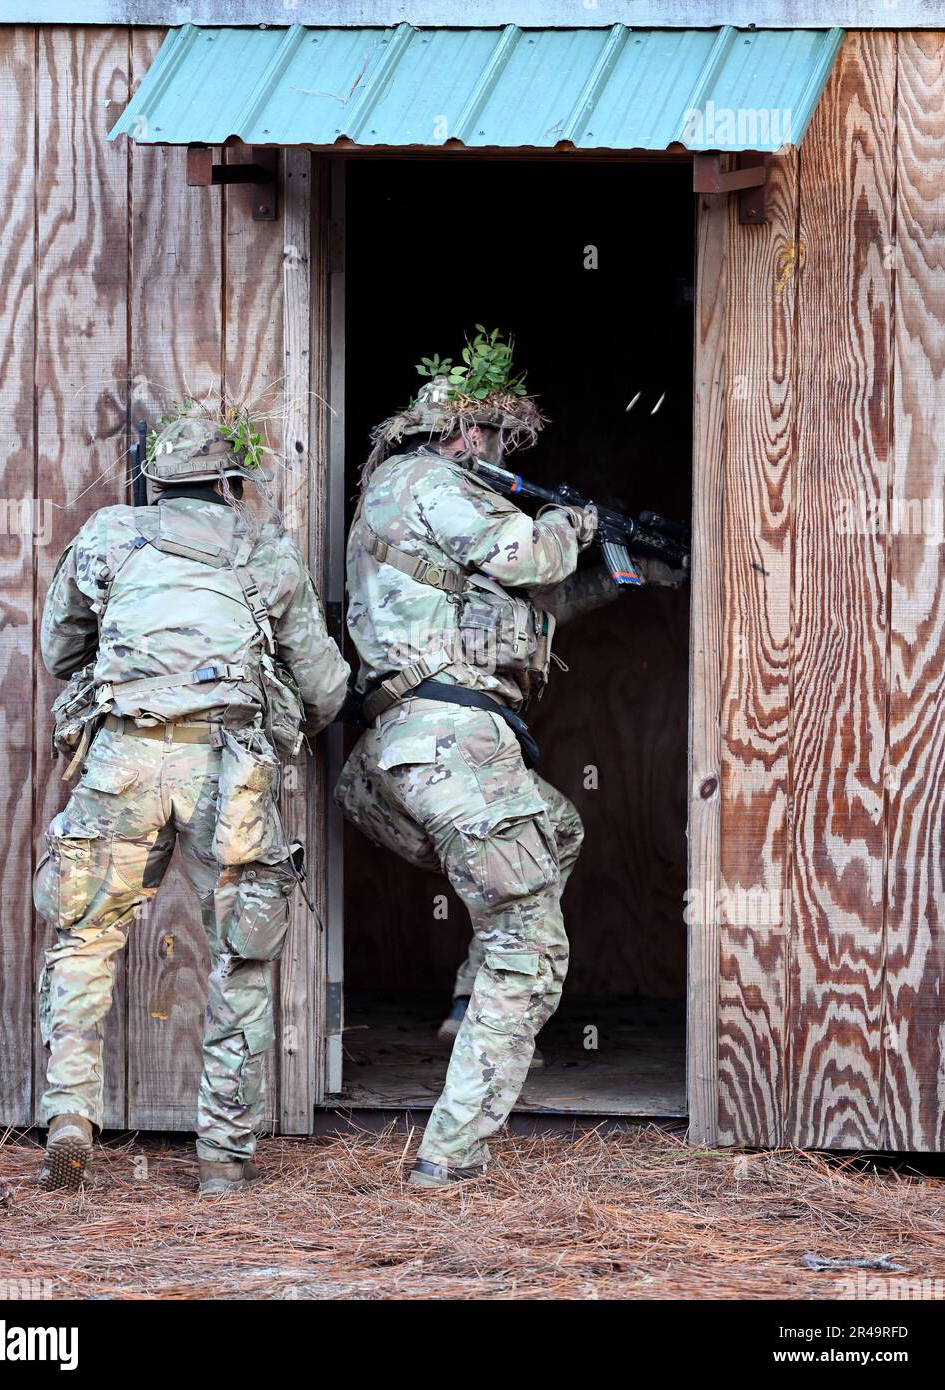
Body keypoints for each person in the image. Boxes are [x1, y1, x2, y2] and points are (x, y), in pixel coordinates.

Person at [35, 405, 348, 1194]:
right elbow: (323, 685)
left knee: (84, 936)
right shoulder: (262, 548)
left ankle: (71, 1113)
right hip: (228, 766)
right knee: (239, 955)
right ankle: (222, 1161)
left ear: (157, 481)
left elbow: (59, 648)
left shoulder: (109, 535)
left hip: (123, 760)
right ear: (225, 481)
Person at [335, 337, 600, 1187]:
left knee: (558, 827)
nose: (495, 453)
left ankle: (464, 999)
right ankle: (452, 1157)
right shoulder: (428, 482)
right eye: (492, 437)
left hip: (419, 745)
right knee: (529, 944)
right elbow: (531, 558)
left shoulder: (398, 503)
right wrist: (573, 523)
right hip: (453, 746)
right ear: (462, 434)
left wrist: (622, 574)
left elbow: (510, 602)